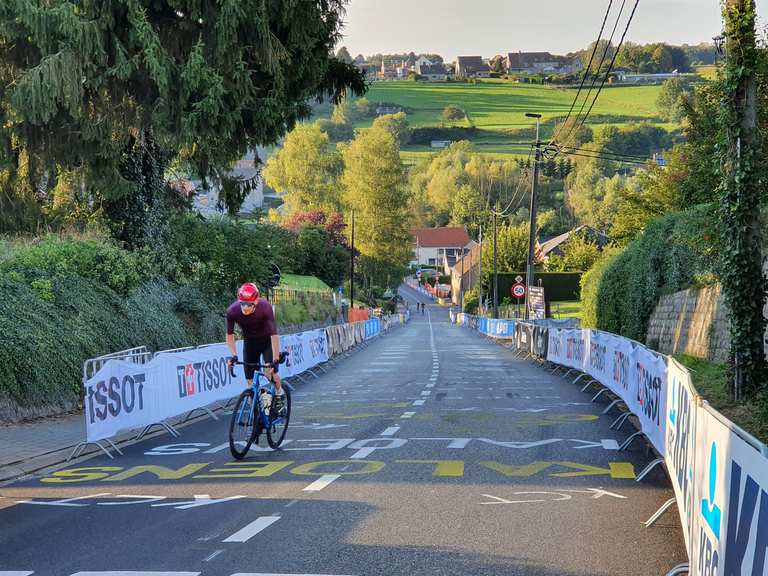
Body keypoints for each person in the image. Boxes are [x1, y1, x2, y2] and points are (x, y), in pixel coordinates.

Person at [226, 282, 285, 413]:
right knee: (250, 381)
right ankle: (258, 411)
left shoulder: (265, 307)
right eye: (242, 304)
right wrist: (233, 355)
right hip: (250, 343)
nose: (245, 308)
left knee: (269, 372)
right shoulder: (232, 311)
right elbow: (229, 335)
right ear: (238, 300)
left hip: (266, 341)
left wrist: (275, 360)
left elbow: (274, 335)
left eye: (249, 304)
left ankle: (280, 393)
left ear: (256, 301)